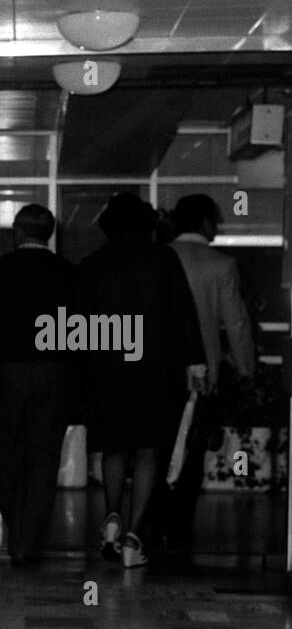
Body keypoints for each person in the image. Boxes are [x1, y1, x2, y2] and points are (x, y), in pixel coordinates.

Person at [75, 193, 206, 569]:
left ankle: (112, 516)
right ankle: (133, 537)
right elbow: (184, 312)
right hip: (155, 369)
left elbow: (80, 325)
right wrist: (195, 363)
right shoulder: (164, 258)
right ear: (147, 223)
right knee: (149, 449)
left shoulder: (92, 264)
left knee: (114, 447)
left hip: (107, 369)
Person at [0, 204, 78, 565]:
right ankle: (30, 541)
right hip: (54, 373)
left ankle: (15, 526)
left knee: (11, 451)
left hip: (7, 374)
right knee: (44, 457)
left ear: (17, 232)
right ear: (49, 233)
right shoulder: (69, 274)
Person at [158, 194, 257, 546]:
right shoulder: (222, 264)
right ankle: (179, 525)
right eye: (215, 220)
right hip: (202, 375)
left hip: (156, 371)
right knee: (194, 448)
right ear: (203, 223)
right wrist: (246, 370)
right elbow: (236, 323)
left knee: (157, 448)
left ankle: (152, 520)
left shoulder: (158, 257)